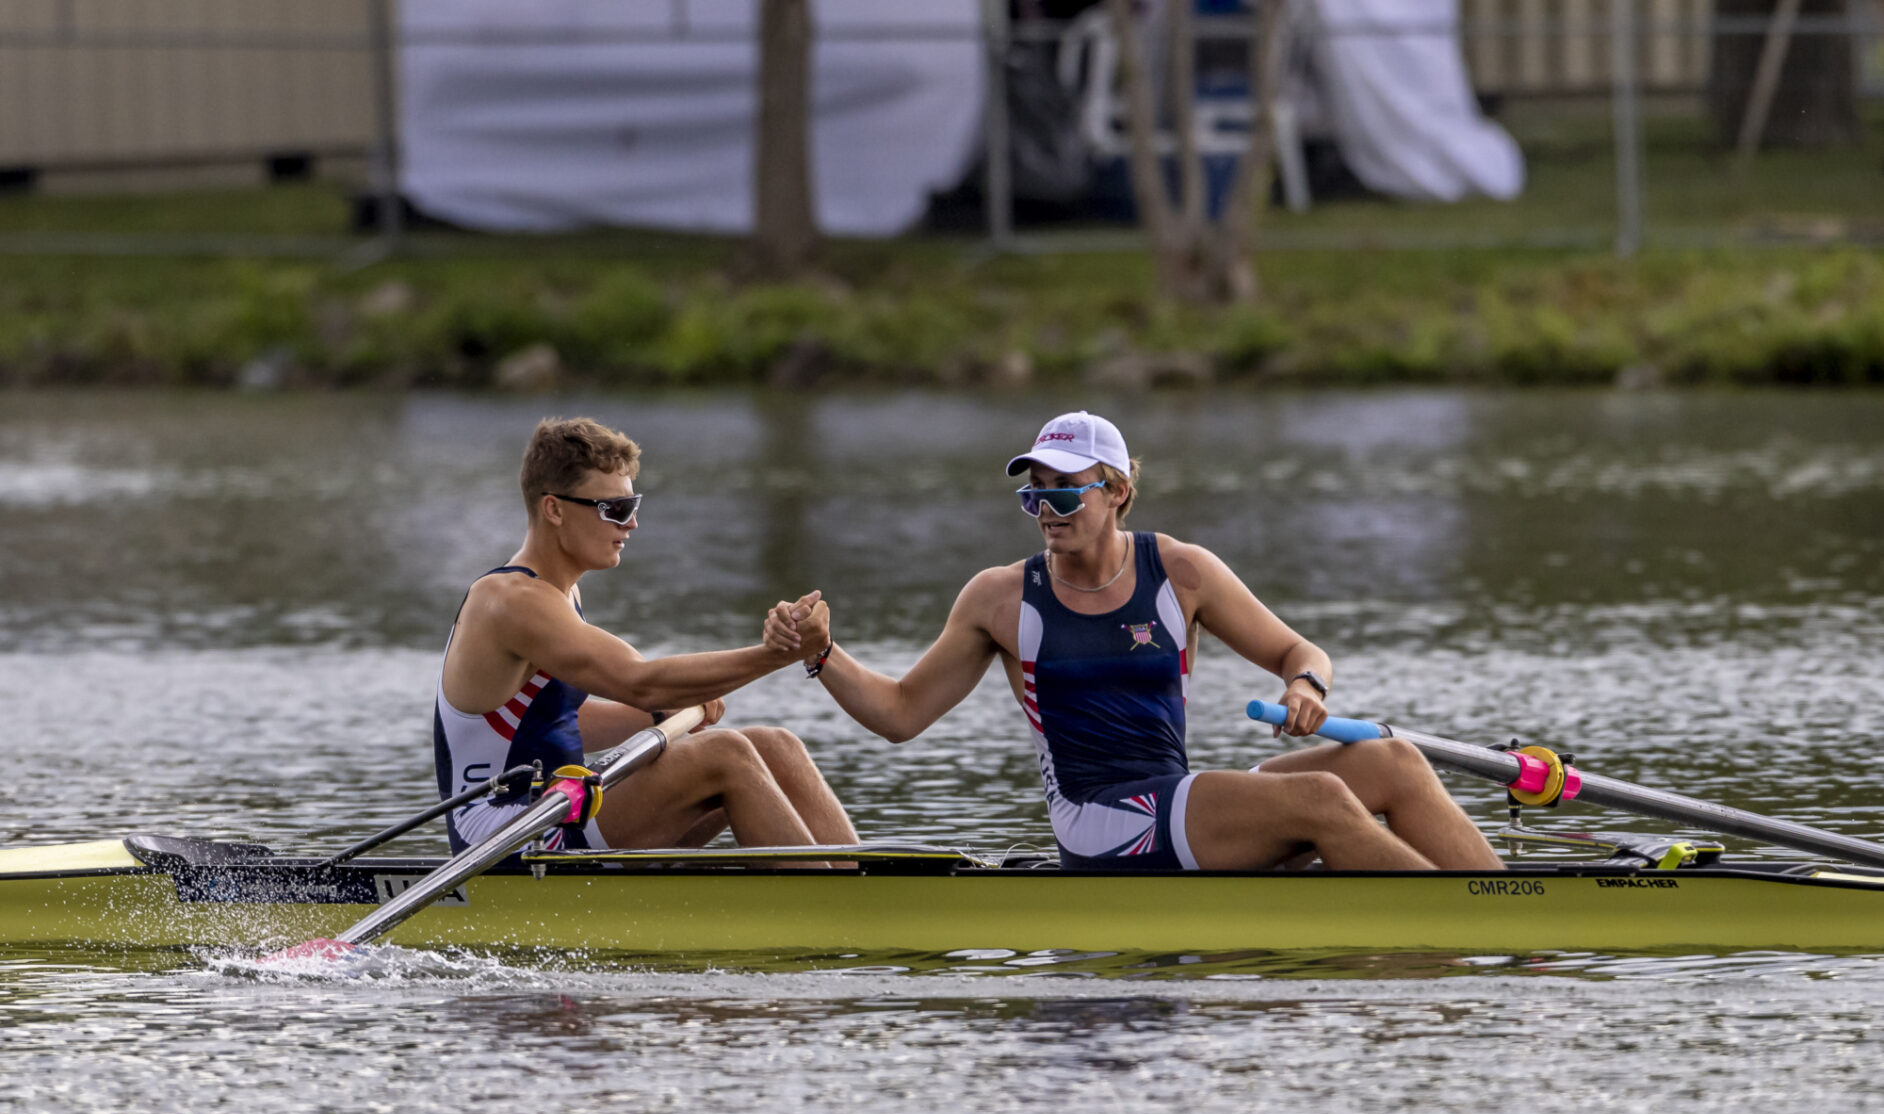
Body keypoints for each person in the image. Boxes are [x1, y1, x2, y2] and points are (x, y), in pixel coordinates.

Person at [767, 410, 1502, 872]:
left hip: (1175, 800)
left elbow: (1300, 652)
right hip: (1100, 823)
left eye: (1062, 490)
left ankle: (1508, 906)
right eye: (1033, 494)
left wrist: (1305, 687)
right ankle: (1461, 929)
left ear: (1116, 491)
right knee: (1319, 798)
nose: (1044, 510)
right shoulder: (999, 597)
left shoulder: (1180, 571)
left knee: (1393, 762)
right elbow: (899, 714)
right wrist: (821, 655)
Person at [435, 416, 858, 859]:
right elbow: (640, 680)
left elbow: (554, 721)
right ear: (554, 509)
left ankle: (867, 893)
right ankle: (836, 912)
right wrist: (781, 652)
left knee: (777, 746)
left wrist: (657, 713)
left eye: (632, 505)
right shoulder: (510, 600)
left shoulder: (560, 594)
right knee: (725, 753)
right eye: (613, 510)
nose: (631, 525)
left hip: (560, 804)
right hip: (501, 834)